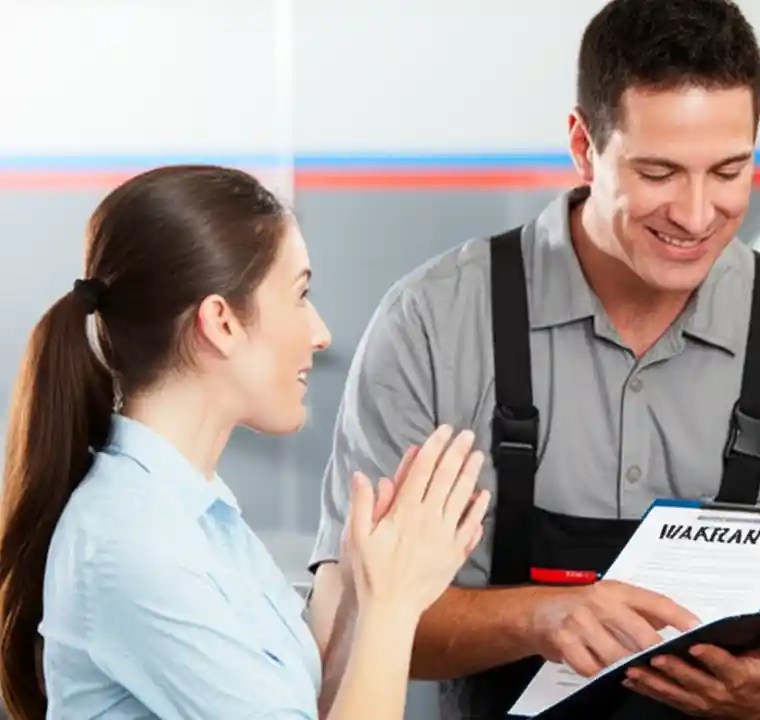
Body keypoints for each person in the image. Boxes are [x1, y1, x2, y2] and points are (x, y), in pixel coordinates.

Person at [306, 1, 760, 718]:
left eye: (729, 171)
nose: (696, 214)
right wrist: (538, 618)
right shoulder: (433, 327)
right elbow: (346, 620)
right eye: (659, 172)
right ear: (583, 144)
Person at [0, 165, 491, 720]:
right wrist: (393, 605)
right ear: (221, 322)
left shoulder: (199, 514)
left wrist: (361, 588)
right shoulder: (132, 543)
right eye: (300, 294)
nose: (320, 333)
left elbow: (306, 708)